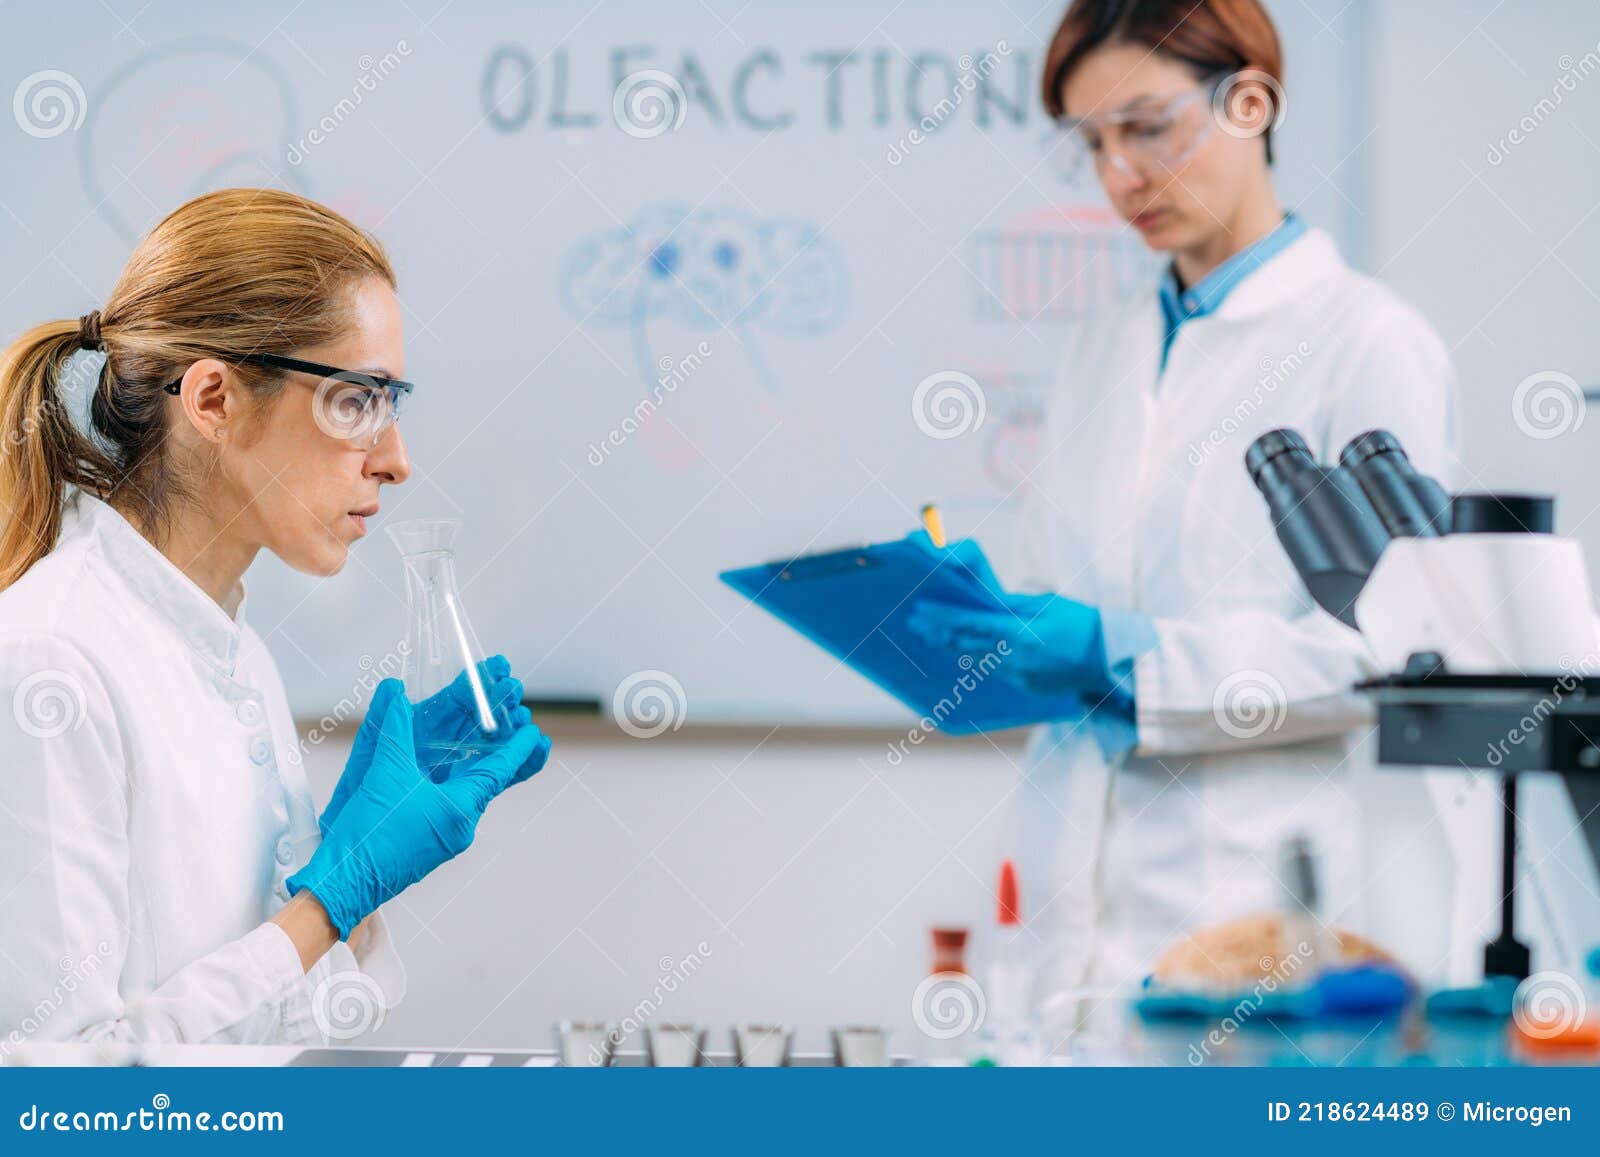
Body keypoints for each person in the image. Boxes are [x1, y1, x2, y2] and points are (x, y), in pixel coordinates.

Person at [909, 0, 1467, 1013]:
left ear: (1250, 103)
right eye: (1091, 142)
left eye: (1147, 126)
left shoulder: (1367, 341)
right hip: (1064, 919)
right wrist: (995, 631)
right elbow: (1059, 586)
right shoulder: (1102, 345)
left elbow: (1395, 651)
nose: (1119, 173)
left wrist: (1123, 654)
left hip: (1249, 905)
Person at [0, 188, 551, 1047]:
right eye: (357, 400)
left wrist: (348, 879)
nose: (397, 460)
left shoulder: (234, 654)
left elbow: (272, 1028)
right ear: (214, 399)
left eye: (392, 400)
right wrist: (326, 904)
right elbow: (56, 1101)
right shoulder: (50, 662)